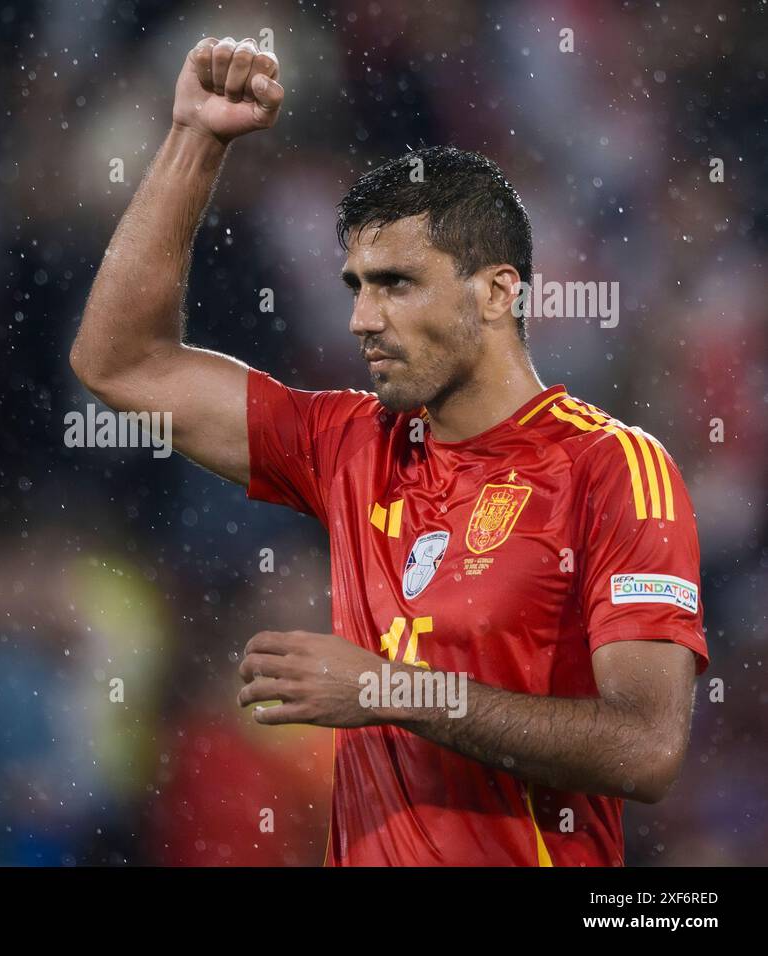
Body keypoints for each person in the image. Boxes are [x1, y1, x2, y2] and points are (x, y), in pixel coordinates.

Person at [69, 36, 708, 866]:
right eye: (356, 287)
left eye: (396, 284)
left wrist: (386, 688)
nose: (362, 320)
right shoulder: (349, 444)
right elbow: (119, 363)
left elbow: (647, 748)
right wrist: (196, 137)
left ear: (497, 291)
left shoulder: (612, 468)